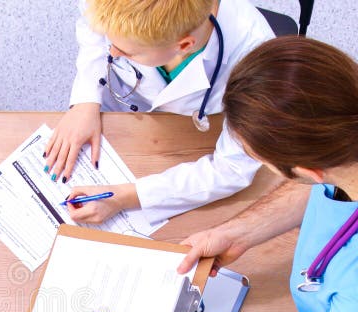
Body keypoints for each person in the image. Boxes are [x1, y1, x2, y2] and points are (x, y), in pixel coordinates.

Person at [119, 36, 358, 312]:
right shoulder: (346, 123)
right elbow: (326, 177)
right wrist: (237, 231)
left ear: (305, 169)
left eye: (266, 163)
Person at [44, 0, 273, 225]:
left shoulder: (255, 58)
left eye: (127, 51)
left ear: (183, 46)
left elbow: (232, 169)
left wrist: (125, 198)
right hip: (121, 112)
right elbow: (92, 26)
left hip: (190, 138)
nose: (111, 51)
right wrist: (86, 99)